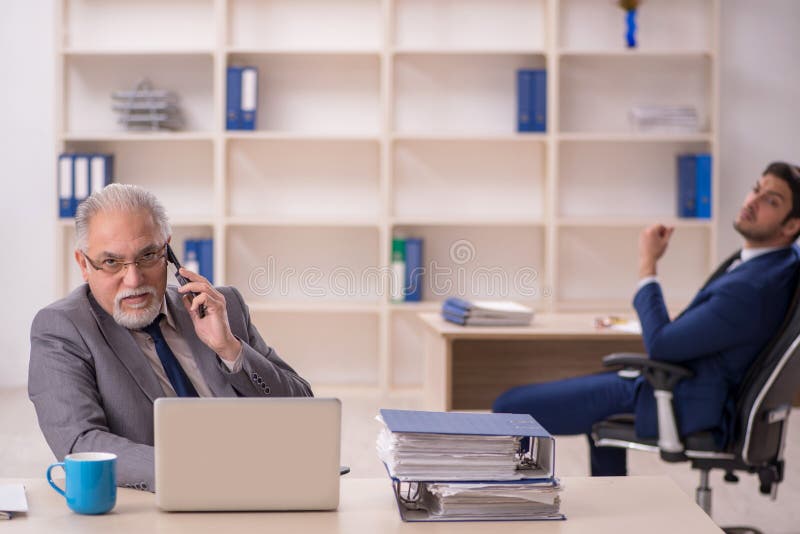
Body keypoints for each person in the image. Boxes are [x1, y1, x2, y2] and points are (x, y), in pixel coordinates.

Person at [493, 161, 800, 476]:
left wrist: (647, 262)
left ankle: (516, 508)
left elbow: (662, 346)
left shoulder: (753, 287)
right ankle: (614, 514)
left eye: (771, 201)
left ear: (791, 226)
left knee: (510, 408)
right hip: (683, 384)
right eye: (756, 189)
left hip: (680, 396)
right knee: (597, 408)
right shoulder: (771, 266)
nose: (753, 201)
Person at [29, 184, 312, 492]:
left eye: (148, 256)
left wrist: (230, 349)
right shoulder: (61, 328)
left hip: (267, 490)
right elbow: (80, 443)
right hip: (167, 501)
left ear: (168, 252)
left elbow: (305, 414)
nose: (134, 279)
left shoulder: (221, 306)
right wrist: (204, 471)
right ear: (84, 264)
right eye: (111, 262)